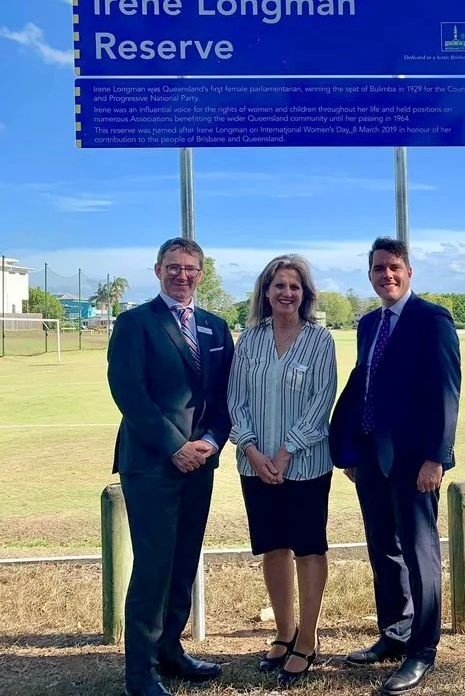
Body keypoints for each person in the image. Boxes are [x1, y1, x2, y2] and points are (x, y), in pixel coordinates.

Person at [329, 236, 461, 695]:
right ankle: (394, 634)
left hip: (414, 462)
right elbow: (362, 384)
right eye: (379, 268)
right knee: (383, 549)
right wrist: (348, 451)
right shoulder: (368, 324)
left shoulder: (432, 320)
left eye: (395, 267)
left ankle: (422, 650)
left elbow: (447, 393)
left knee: (420, 555)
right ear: (369, 274)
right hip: (370, 460)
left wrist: (436, 458)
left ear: (409, 272)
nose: (387, 274)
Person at [106, 237, 234, 696]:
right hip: (152, 465)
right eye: (174, 267)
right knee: (154, 566)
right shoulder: (136, 323)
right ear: (157, 270)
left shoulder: (216, 328)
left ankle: (170, 651)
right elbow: (129, 393)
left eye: (191, 269)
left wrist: (211, 442)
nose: (183, 275)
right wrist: (174, 446)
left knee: (183, 563)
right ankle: (140, 673)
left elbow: (225, 398)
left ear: (202, 273)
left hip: (201, 462)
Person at [227, 255, 337, 687]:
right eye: (278, 286)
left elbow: (321, 400)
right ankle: (283, 632)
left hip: (305, 465)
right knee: (273, 549)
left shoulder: (319, 340)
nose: (286, 293)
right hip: (255, 467)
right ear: (265, 292)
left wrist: (287, 451)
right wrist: (252, 450)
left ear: (304, 294)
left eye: (294, 286)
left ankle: (308, 640)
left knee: (308, 548)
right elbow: (234, 399)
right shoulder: (249, 340)